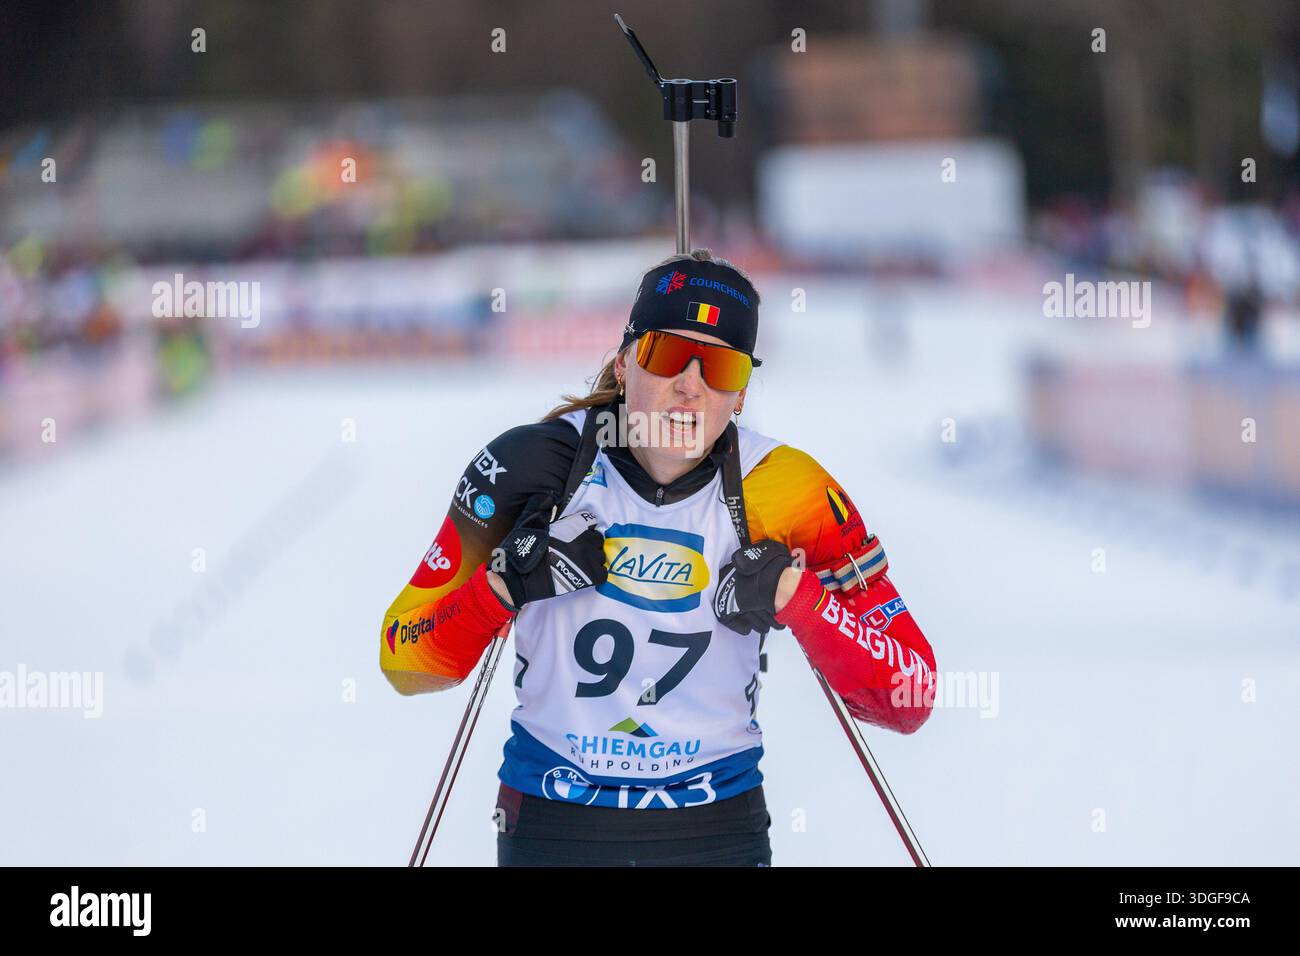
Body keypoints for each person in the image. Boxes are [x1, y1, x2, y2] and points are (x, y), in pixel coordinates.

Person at [381, 248, 937, 866]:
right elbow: (404, 659)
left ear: (742, 393)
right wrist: (503, 587)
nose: (690, 385)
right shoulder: (534, 467)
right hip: (554, 824)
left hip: (715, 829)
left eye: (721, 367)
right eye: (667, 354)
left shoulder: (790, 488)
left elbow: (910, 694)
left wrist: (796, 598)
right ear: (625, 361)